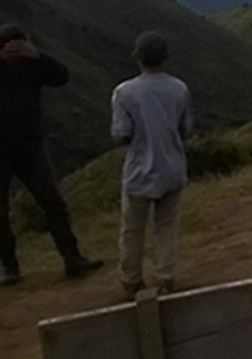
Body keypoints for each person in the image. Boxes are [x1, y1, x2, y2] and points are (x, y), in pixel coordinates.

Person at [0, 25, 103, 286]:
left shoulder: (32, 66)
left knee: (53, 203)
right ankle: (9, 267)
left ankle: (72, 258)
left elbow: (61, 77)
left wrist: (37, 56)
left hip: (31, 148)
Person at [112, 32, 192, 296]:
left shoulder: (124, 93)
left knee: (132, 229)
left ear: (137, 58)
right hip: (172, 166)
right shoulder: (179, 88)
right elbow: (184, 129)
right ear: (166, 57)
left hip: (138, 171)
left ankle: (131, 281)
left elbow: (121, 135)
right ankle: (165, 278)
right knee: (166, 225)